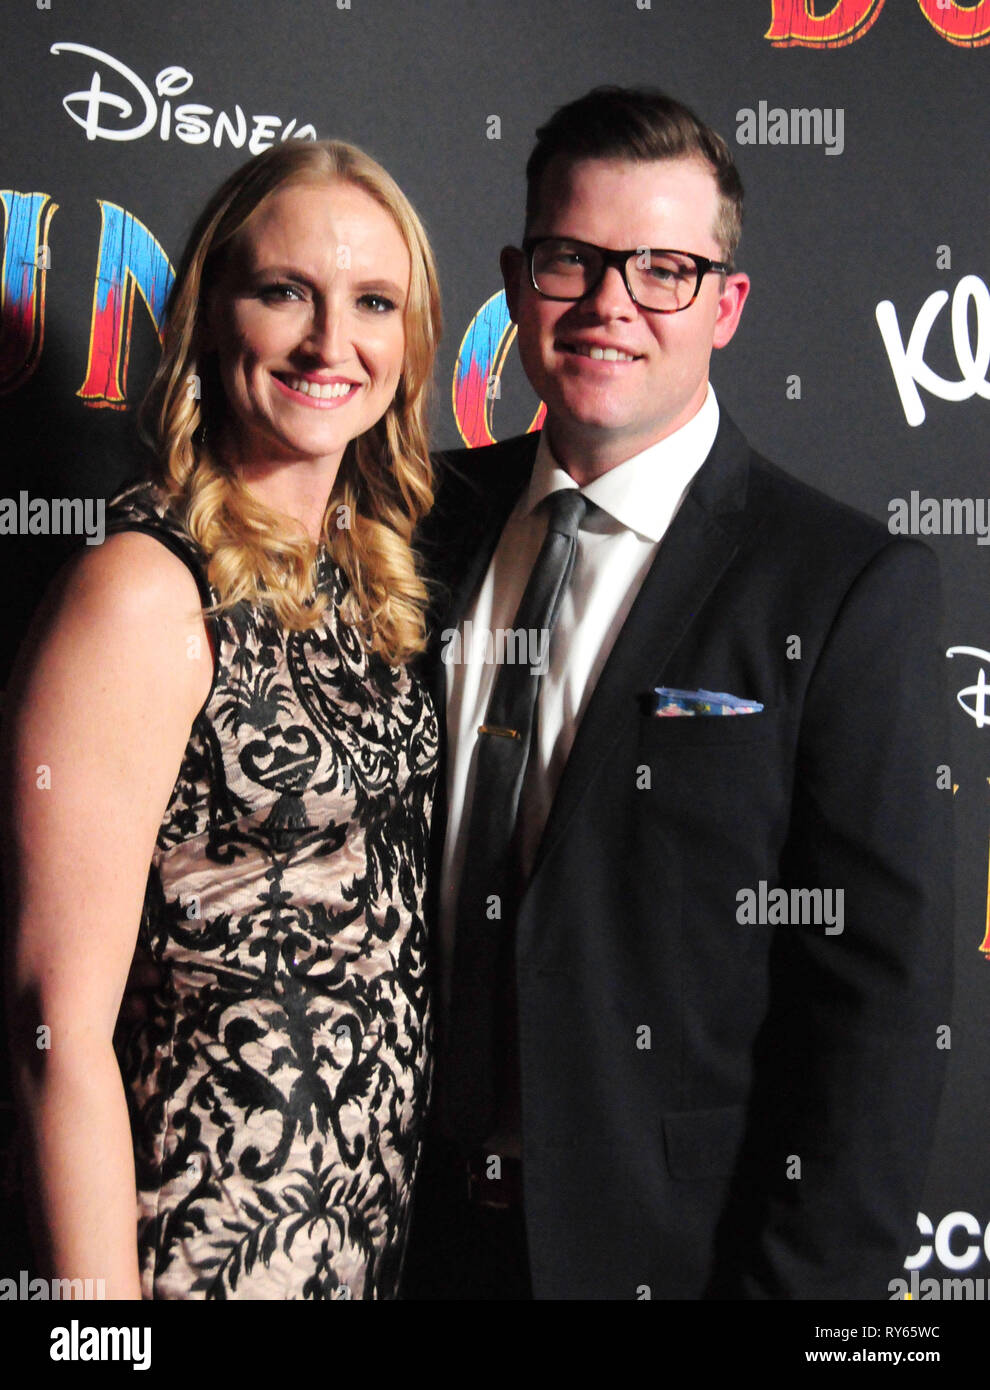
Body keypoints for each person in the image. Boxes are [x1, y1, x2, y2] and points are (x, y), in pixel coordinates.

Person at [403, 86, 952, 1300]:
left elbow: (876, 1009)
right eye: (572, 260)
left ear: (726, 304)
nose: (610, 305)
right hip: (391, 1240)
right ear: (516, 277)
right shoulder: (414, 524)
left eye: (663, 269)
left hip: (662, 1262)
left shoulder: (845, 584)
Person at [3, 138, 442, 1300]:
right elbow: (55, 1024)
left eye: (373, 303)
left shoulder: (371, 578)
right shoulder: (147, 589)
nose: (330, 343)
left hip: (362, 1246)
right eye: (285, 291)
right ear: (211, 316)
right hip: (194, 1253)